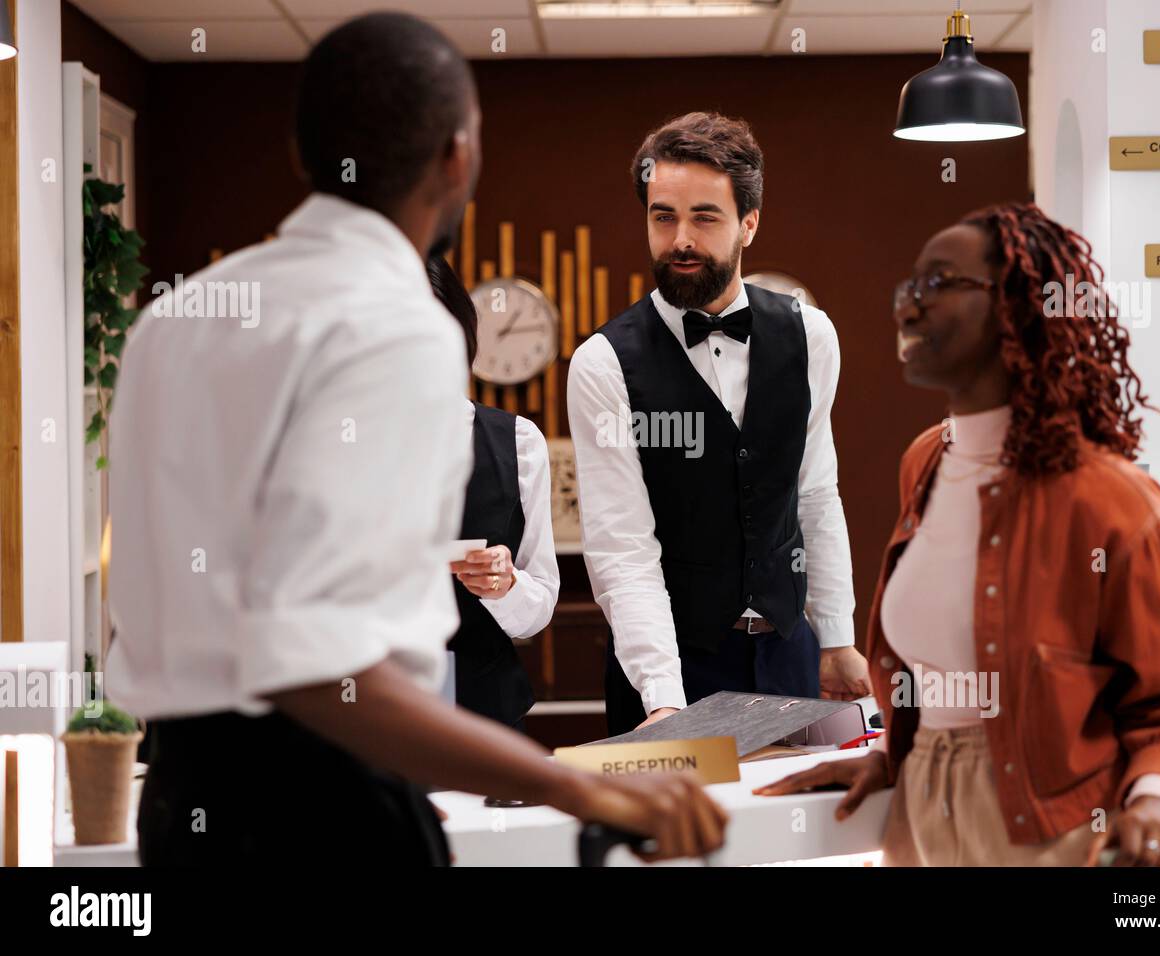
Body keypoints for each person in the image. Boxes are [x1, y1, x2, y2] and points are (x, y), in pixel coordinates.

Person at [107, 13, 726, 865]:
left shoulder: (171, 321)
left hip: (178, 805)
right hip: (327, 809)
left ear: (301, 154)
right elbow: (322, 675)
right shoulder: (398, 327)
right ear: (458, 156)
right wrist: (580, 787)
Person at [755, 202, 1160, 867]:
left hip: (1050, 827)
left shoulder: (1110, 499)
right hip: (921, 808)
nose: (909, 306)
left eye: (940, 283)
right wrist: (897, 754)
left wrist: (1156, 799)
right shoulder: (926, 463)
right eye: (911, 285)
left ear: (1018, 308)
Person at [567, 112, 868, 736]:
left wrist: (837, 636)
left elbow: (815, 492)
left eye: (704, 217)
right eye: (663, 217)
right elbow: (623, 548)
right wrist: (662, 696)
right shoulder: (604, 363)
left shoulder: (811, 335)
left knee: (804, 803)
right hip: (670, 665)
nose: (680, 239)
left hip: (789, 652)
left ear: (749, 223)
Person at [428, 256, 558, 729]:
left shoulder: (517, 443)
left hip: (483, 710)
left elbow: (538, 606)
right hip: (367, 713)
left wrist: (505, 586)